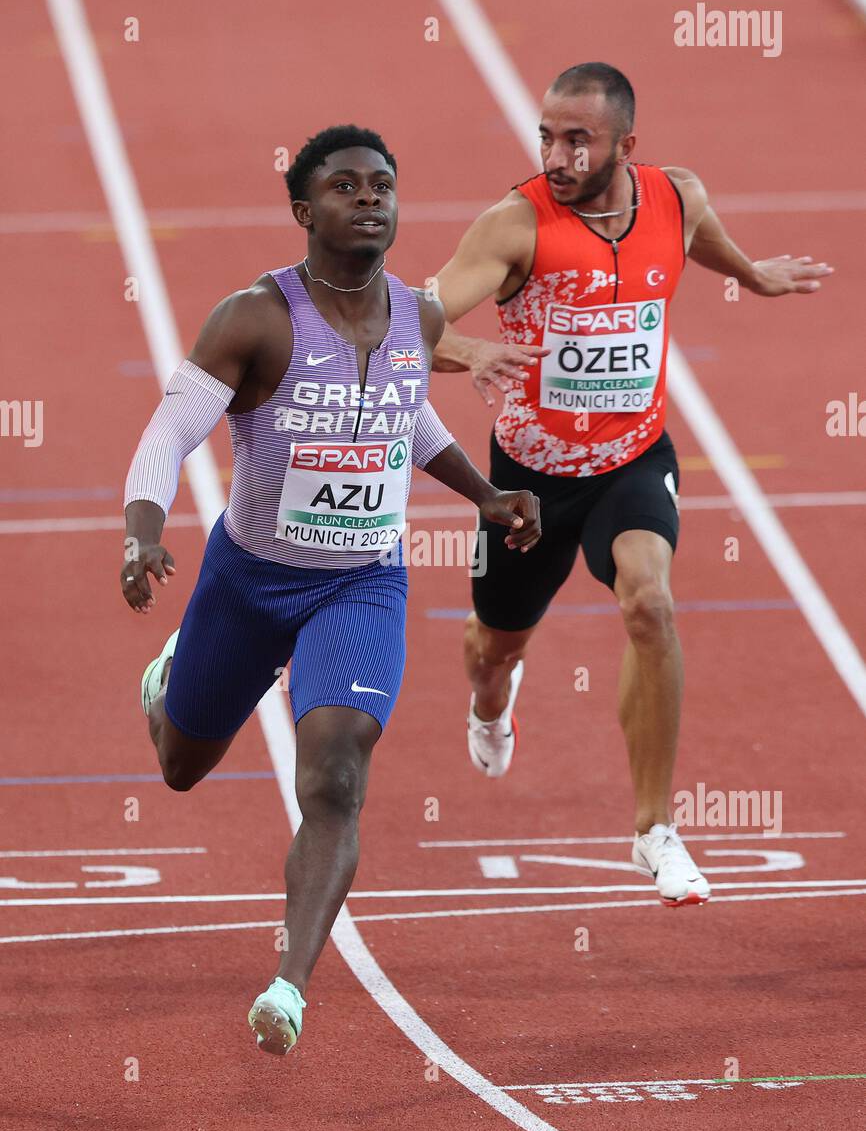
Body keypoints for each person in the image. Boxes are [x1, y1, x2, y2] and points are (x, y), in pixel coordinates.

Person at [120, 125, 540, 1055]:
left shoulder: (417, 317)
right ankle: (173, 676)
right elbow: (168, 432)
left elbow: (409, 418)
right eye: (346, 187)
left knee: (337, 776)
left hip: (360, 585)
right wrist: (143, 531)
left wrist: (486, 493)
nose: (370, 199)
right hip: (247, 580)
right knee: (180, 767)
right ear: (306, 212)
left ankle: (289, 985)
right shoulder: (254, 319)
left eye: (383, 184)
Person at [430, 63, 832, 907]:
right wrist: (468, 351)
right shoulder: (515, 225)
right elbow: (409, 327)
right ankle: (493, 704)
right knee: (490, 650)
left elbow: (702, 232)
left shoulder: (675, 197)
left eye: (577, 139)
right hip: (529, 485)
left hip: (632, 459)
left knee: (650, 603)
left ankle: (654, 829)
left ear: (625, 145)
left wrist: (752, 274)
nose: (557, 155)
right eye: (546, 136)